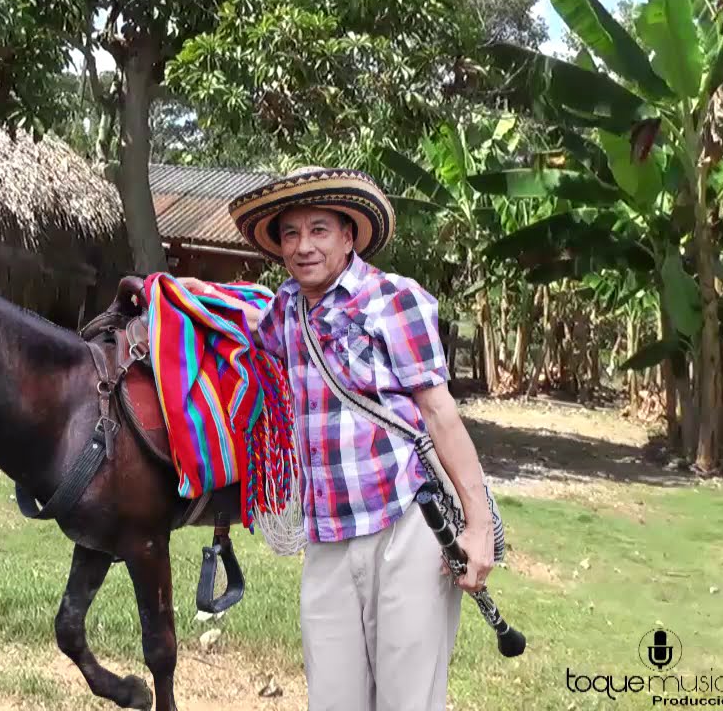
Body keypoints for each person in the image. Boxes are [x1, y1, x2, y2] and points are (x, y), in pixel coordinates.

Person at [179, 167, 494, 711]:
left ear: (349, 236)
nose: (304, 247)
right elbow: (227, 329)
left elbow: (440, 413)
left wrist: (480, 526)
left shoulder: (396, 300)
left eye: (319, 230)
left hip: (406, 527)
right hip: (326, 540)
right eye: (291, 234)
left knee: (408, 702)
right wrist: (159, 298)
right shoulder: (285, 311)